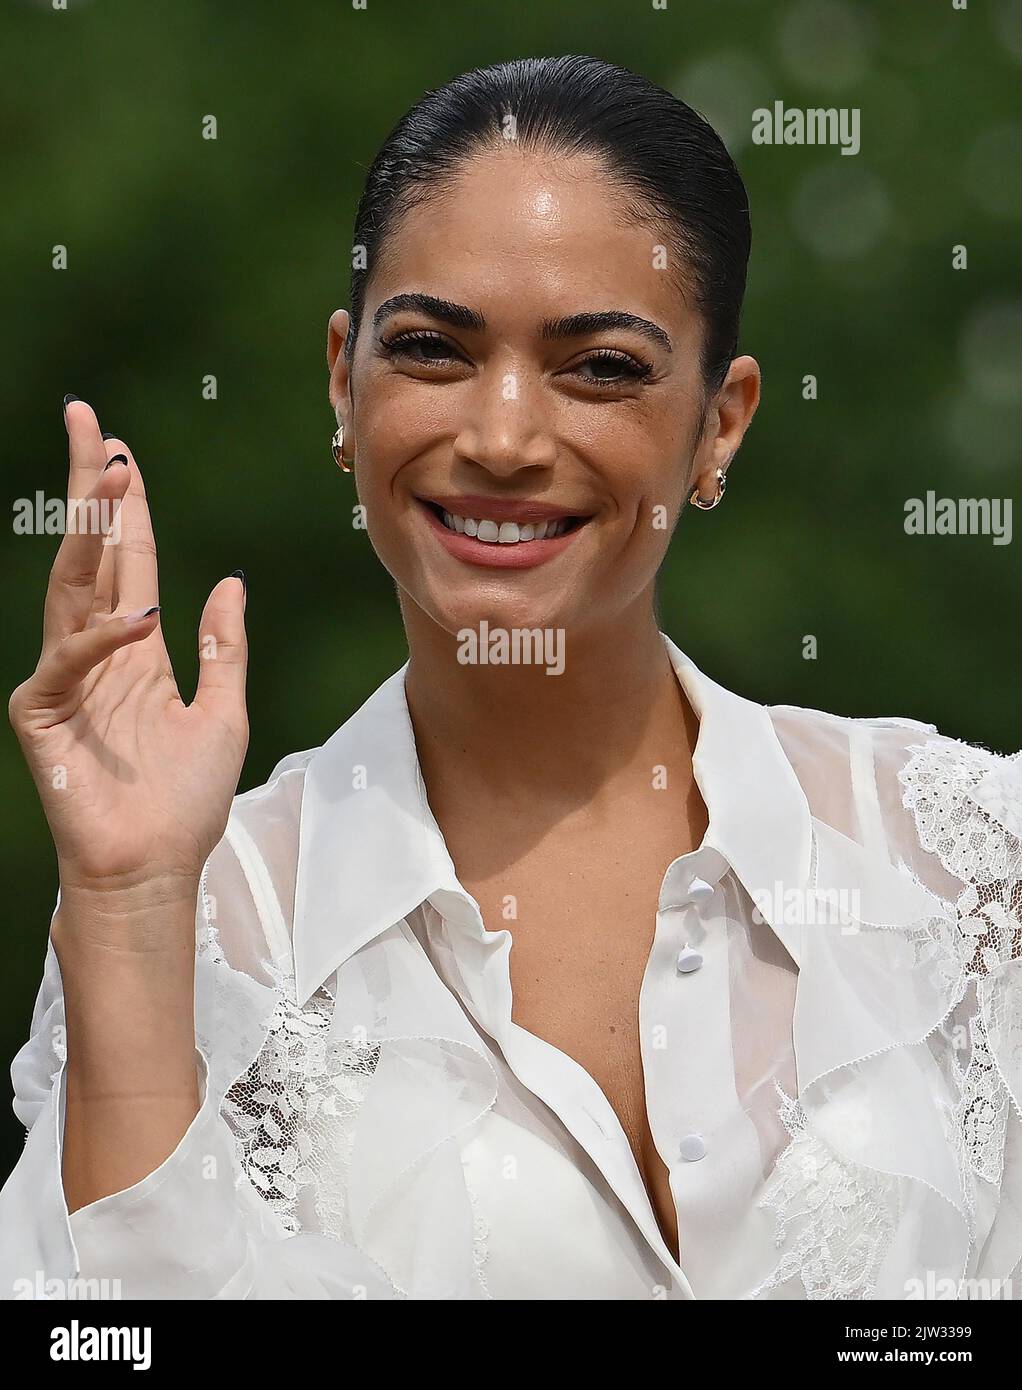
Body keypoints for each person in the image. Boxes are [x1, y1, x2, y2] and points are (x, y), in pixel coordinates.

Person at [3, 54, 1021, 1302]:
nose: (498, 437)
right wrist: (122, 901)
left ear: (721, 420)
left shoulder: (961, 862)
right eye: (431, 347)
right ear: (341, 378)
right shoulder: (207, 919)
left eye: (598, 368)